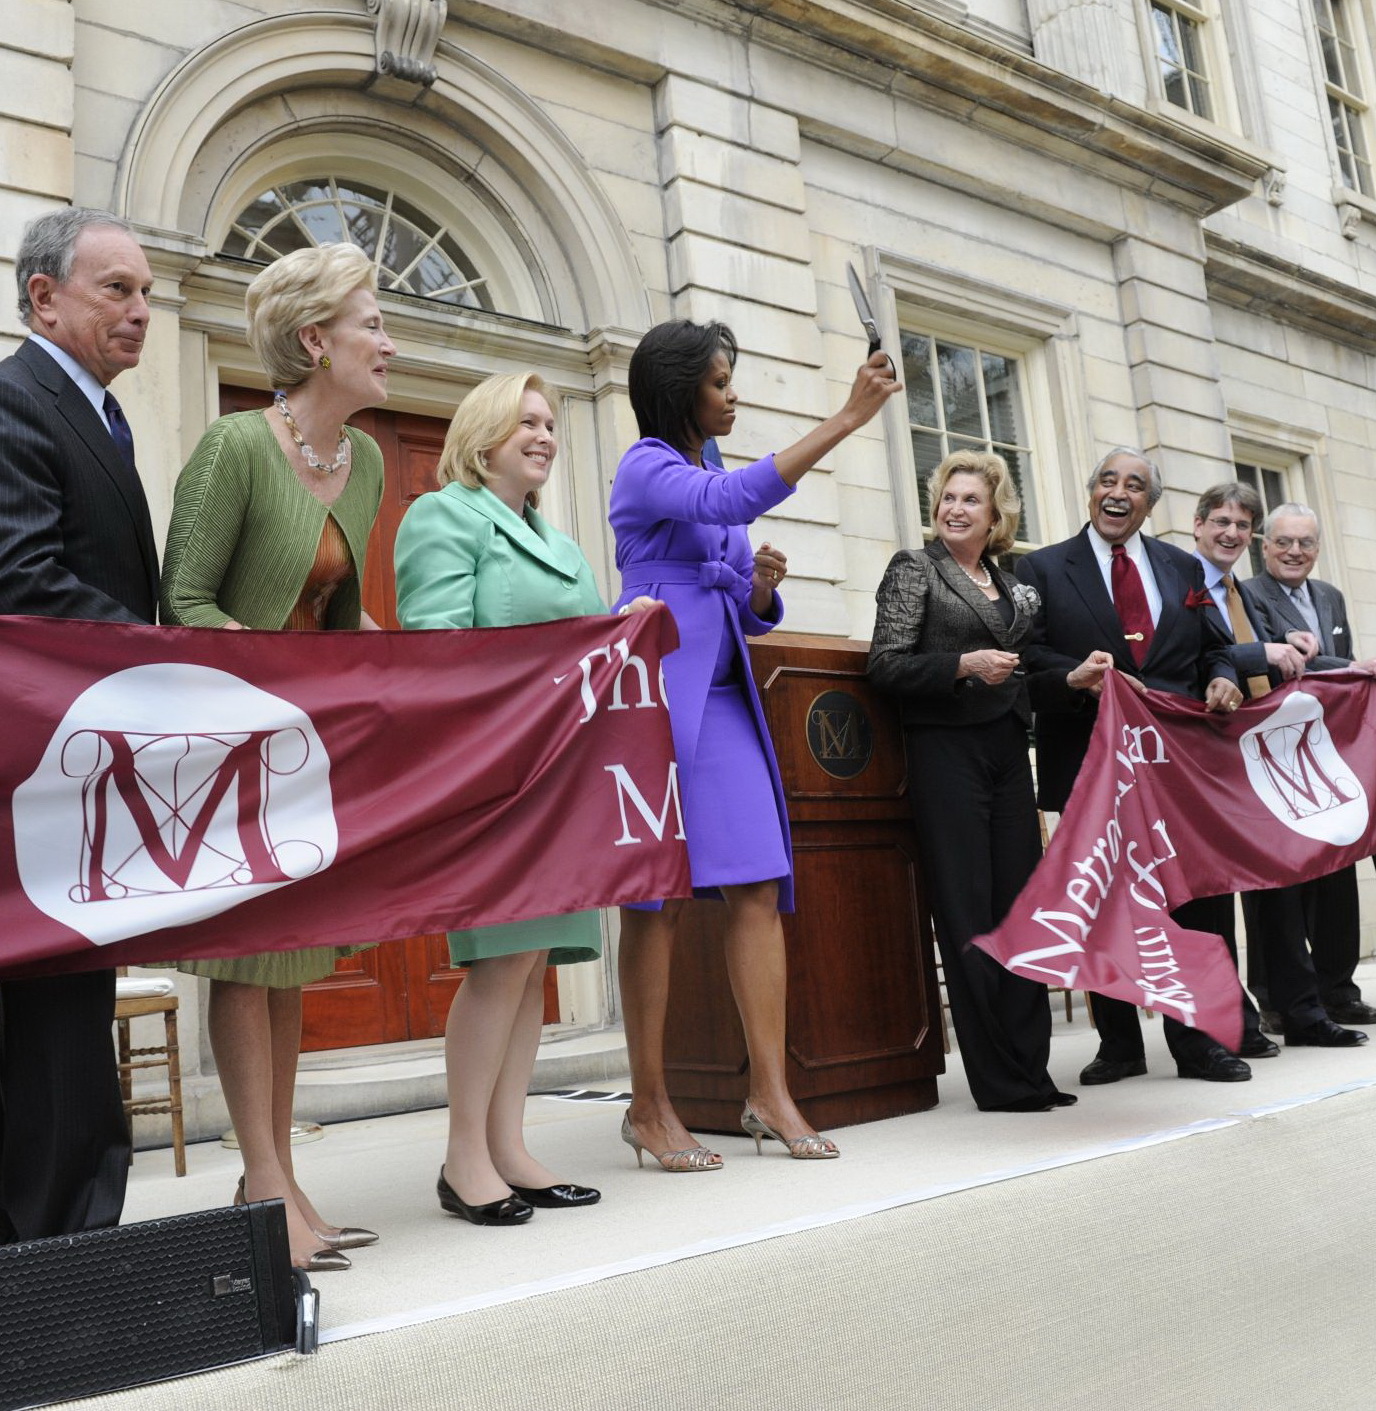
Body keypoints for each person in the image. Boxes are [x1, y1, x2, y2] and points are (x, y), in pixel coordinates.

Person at [610, 319, 900, 1168]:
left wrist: (761, 588)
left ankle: (770, 1092)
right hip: (660, 695)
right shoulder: (647, 465)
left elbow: (737, 599)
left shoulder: (701, 467)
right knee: (654, 898)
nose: (733, 394)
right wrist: (845, 419)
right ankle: (649, 1105)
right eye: (720, 381)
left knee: (757, 886)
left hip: (729, 696)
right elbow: (725, 505)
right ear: (679, 390)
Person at [159, 242, 396, 1270]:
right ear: (315, 340)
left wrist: (405, 666)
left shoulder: (370, 460)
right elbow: (183, 602)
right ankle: (259, 1180)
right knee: (247, 963)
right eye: (370, 322)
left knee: (293, 961)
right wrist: (281, 677)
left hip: (307, 749)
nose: (387, 340)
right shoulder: (233, 448)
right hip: (226, 742)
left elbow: (340, 613)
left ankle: (282, 1171)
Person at [393, 372, 635, 1225]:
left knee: (532, 967)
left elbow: (583, 644)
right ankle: (464, 1158)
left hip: (562, 774)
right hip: (495, 772)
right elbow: (436, 652)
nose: (543, 434)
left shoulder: (561, 540)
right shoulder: (443, 515)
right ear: (484, 430)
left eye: (550, 423)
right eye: (526, 421)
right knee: (499, 960)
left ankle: (509, 1145)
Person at [0, 208, 159, 1241]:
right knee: (49, 1030)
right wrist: (174, 664)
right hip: (33, 767)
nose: (141, 311)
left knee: (74, 1015)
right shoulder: (15, 403)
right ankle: (55, 1251)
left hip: (82, 763)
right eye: (117, 289)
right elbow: (23, 578)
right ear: (43, 295)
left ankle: (72, 1239)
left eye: (147, 292)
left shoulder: (99, 413)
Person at [868, 451, 1112, 1111]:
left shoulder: (1009, 586)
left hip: (1008, 753)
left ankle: (1032, 1069)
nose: (954, 508)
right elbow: (885, 665)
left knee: (1022, 910)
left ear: (995, 514)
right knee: (968, 911)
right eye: (948, 496)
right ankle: (999, 1079)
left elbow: (1017, 675)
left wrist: (1069, 680)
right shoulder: (913, 568)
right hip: (944, 753)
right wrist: (960, 663)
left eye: (970, 499)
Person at [1016, 448, 1252, 1086]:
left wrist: (1226, 680)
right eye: (1109, 481)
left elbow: (1216, 652)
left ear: (1152, 502)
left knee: (1198, 900)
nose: (1119, 493)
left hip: (1179, 770)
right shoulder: (1038, 568)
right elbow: (1025, 660)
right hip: (1091, 767)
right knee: (1104, 902)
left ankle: (1201, 1043)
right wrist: (1072, 679)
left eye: (1136, 485)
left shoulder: (1184, 568)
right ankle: (1119, 1046)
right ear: (1090, 491)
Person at [1189, 485, 1366, 1051]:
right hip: (1206, 755)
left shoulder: (1246, 593)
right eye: (1221, 522)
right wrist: (1261, 653)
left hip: (1271, 752)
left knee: (1280, 886)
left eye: (1241, 525)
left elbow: (1283, 658)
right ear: (1197, 526)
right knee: (1226, 894)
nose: (1231, 534)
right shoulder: (1178, 580)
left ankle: (1303, 1009)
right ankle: (1242, 1015)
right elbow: (1189, 658)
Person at [1241, 503, 1376, 1038]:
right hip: (1272, 756)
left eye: (1305, 543)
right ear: (1265, 545)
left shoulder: (1331, 597)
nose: (1295, 551)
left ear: (1316, 548)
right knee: (1278, 883)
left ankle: (1338, 991)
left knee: (1339, 871)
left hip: (1326, 755)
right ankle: (1275, 997)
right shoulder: (1248, 595)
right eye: (1284, 542)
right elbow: (1282, 664)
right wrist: (1349, 668)